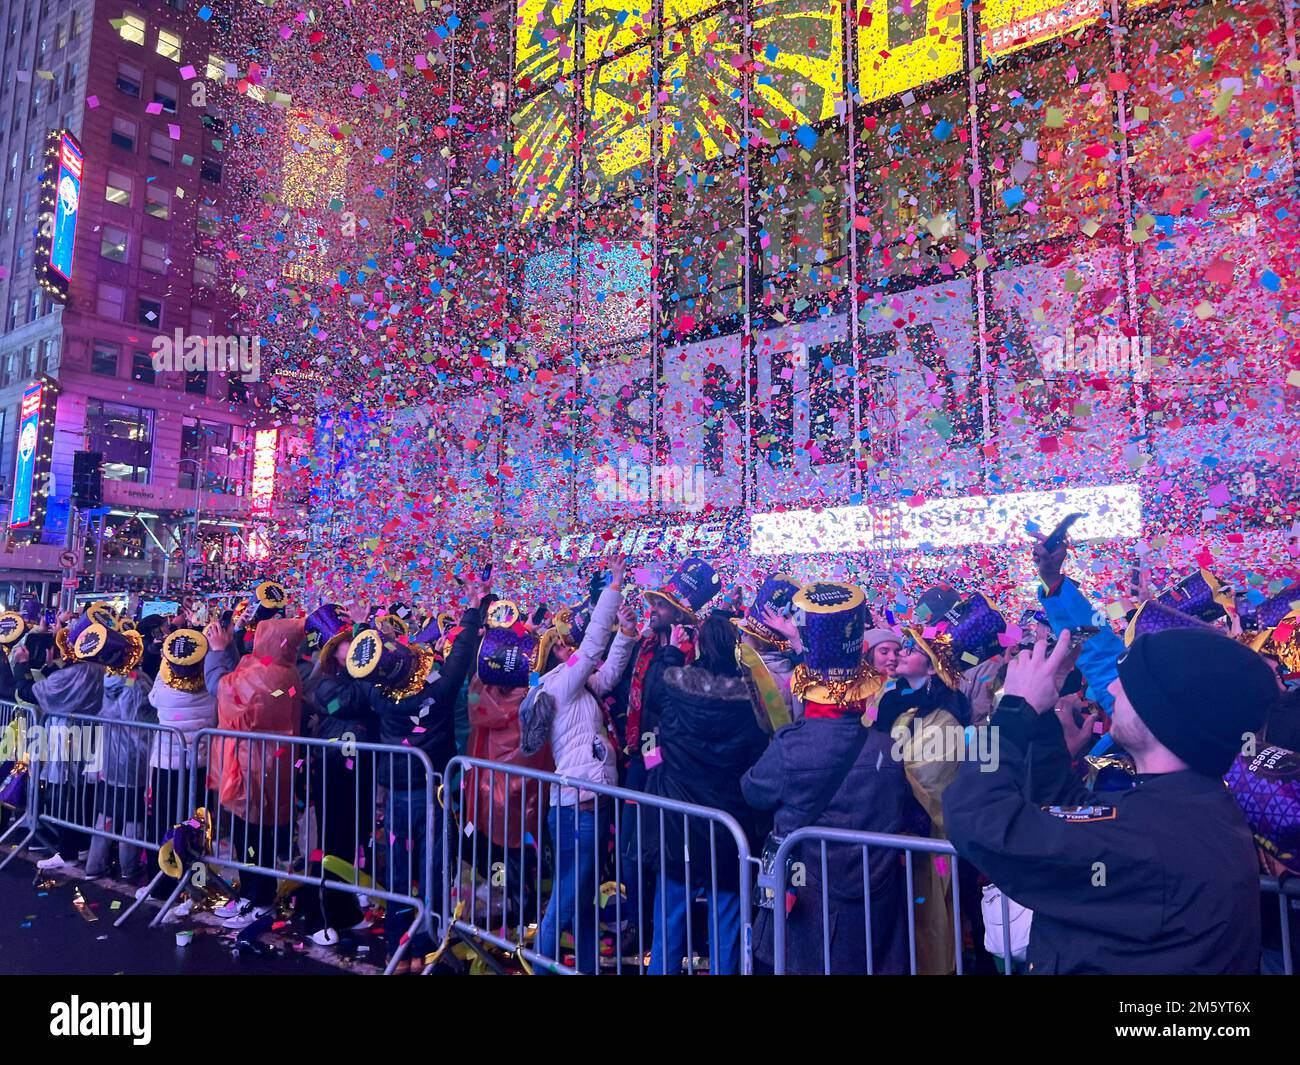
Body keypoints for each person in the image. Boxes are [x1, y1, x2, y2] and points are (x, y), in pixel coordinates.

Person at [944, 626, 1279, 974]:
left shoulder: (1151, 838)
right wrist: (1042, 722)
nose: (1112, 687)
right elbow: (1068, 813)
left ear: (1167, 714)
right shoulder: (1184, 808)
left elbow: (977, 819)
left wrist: (1013, 714)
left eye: (1130, 684)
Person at [742, 581, 908, 974]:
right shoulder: (888, 748)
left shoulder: (793, 746)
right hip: (874, 907)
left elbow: (752, 791)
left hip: (809, 907)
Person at [349, 579, 488, 971]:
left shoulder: (381, 698)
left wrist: (362, 630)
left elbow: (363, 670)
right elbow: (460, 653)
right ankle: (426, 949)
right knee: (433, 870)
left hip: (396, 791)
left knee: (398, 871)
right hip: (433, 792)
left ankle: (399, 946)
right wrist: (473, 605)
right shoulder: (439, 692)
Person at [644, 612, 767, 974]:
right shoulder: (749, 696)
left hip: (679, 817)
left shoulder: (676, 683)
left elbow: (651, 698)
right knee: (726, 915)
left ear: (698, 643)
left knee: (671, 912)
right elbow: (758, 751)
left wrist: (669, 650)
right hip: (728, 821)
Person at [533, 559, 638, 974]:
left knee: (580, 892)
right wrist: (612, 588)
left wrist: (627, 632)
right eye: (566, 644)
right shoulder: (560, 682)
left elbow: (608, 673)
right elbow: (594, 646)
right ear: (557, 652)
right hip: (579, 803)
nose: (574, 648)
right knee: (569, 892)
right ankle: (541, 964)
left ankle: (587, 967)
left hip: (580, 801)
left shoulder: (574, 685)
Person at [206, 616, 306, 929]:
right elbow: (242, 673)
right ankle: (251, 894)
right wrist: (231, 645)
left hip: (255, 769)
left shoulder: (271, 677)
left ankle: (259, 900)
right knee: (248, 835)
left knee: (253, 837)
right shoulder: (282, 670)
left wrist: (217, 650)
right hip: (265, 766)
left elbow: (222, 688)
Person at [86, 637, 155, 881]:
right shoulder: (134, 681)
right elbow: (140, 716)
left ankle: (95, 864)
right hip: (132, 755)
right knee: (132, 814)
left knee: (107, 810)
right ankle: (129, 867)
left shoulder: (109, 678)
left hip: (110, 754)